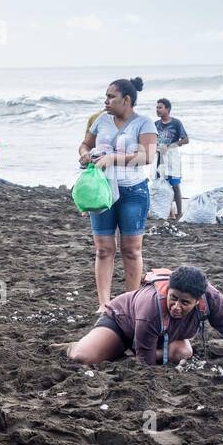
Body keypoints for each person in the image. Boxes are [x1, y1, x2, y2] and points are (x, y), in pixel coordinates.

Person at [56, 265, 223, 372]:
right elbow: (146, 363)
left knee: (183, 352)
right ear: (168, 290)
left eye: (185, 303)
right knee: (82, 357)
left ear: (197, 301)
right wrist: (143, 359)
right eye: (173, 298)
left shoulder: (212, 299)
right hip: (123, 325)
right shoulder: (151, 305)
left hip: (162, 337)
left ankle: (119, 352)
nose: (176, 307)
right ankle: (74, 345)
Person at [77, 78, 157, 312]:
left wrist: (113, 158)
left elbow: (147, 157)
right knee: (103, 249)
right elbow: (84, 144)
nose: (106, 100)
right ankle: (104, 303)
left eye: (111, 96)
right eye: (106, 95)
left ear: (127, 100)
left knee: (131, 250)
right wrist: (85, 154)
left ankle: (131, 301)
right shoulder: (101, 120)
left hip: (133, 191)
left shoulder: (144, 123)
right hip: (101, 190)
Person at [153, 99, 189, 221]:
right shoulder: (155, 124)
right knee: (161, 184)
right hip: (159, 158)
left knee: (175, 184)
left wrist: (170, 146)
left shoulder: (176, 123)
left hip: (172, 157)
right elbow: (152, 140)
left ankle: (179, 212)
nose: (157, 110)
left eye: (160, 107)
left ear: (167, 109)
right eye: (157, 107)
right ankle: (167, 212)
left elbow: (185, 140)